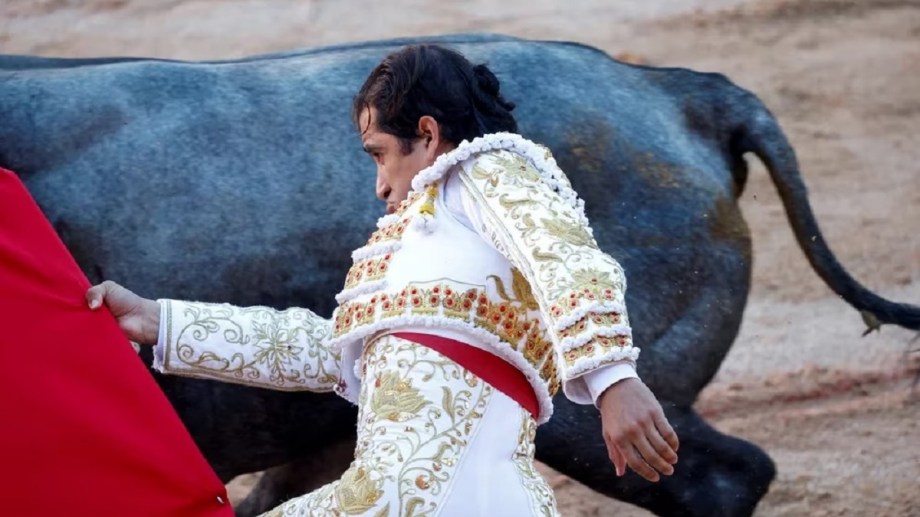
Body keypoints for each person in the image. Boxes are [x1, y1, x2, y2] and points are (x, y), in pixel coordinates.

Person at [87, 44, 678, 516]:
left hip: (406, 499)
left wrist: (613, 379)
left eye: (379, 153)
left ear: (428, 133)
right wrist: (160, 321)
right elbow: (324, 351)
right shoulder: (433, 249)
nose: (380, 185)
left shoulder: (485, 169)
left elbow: (565, 258)